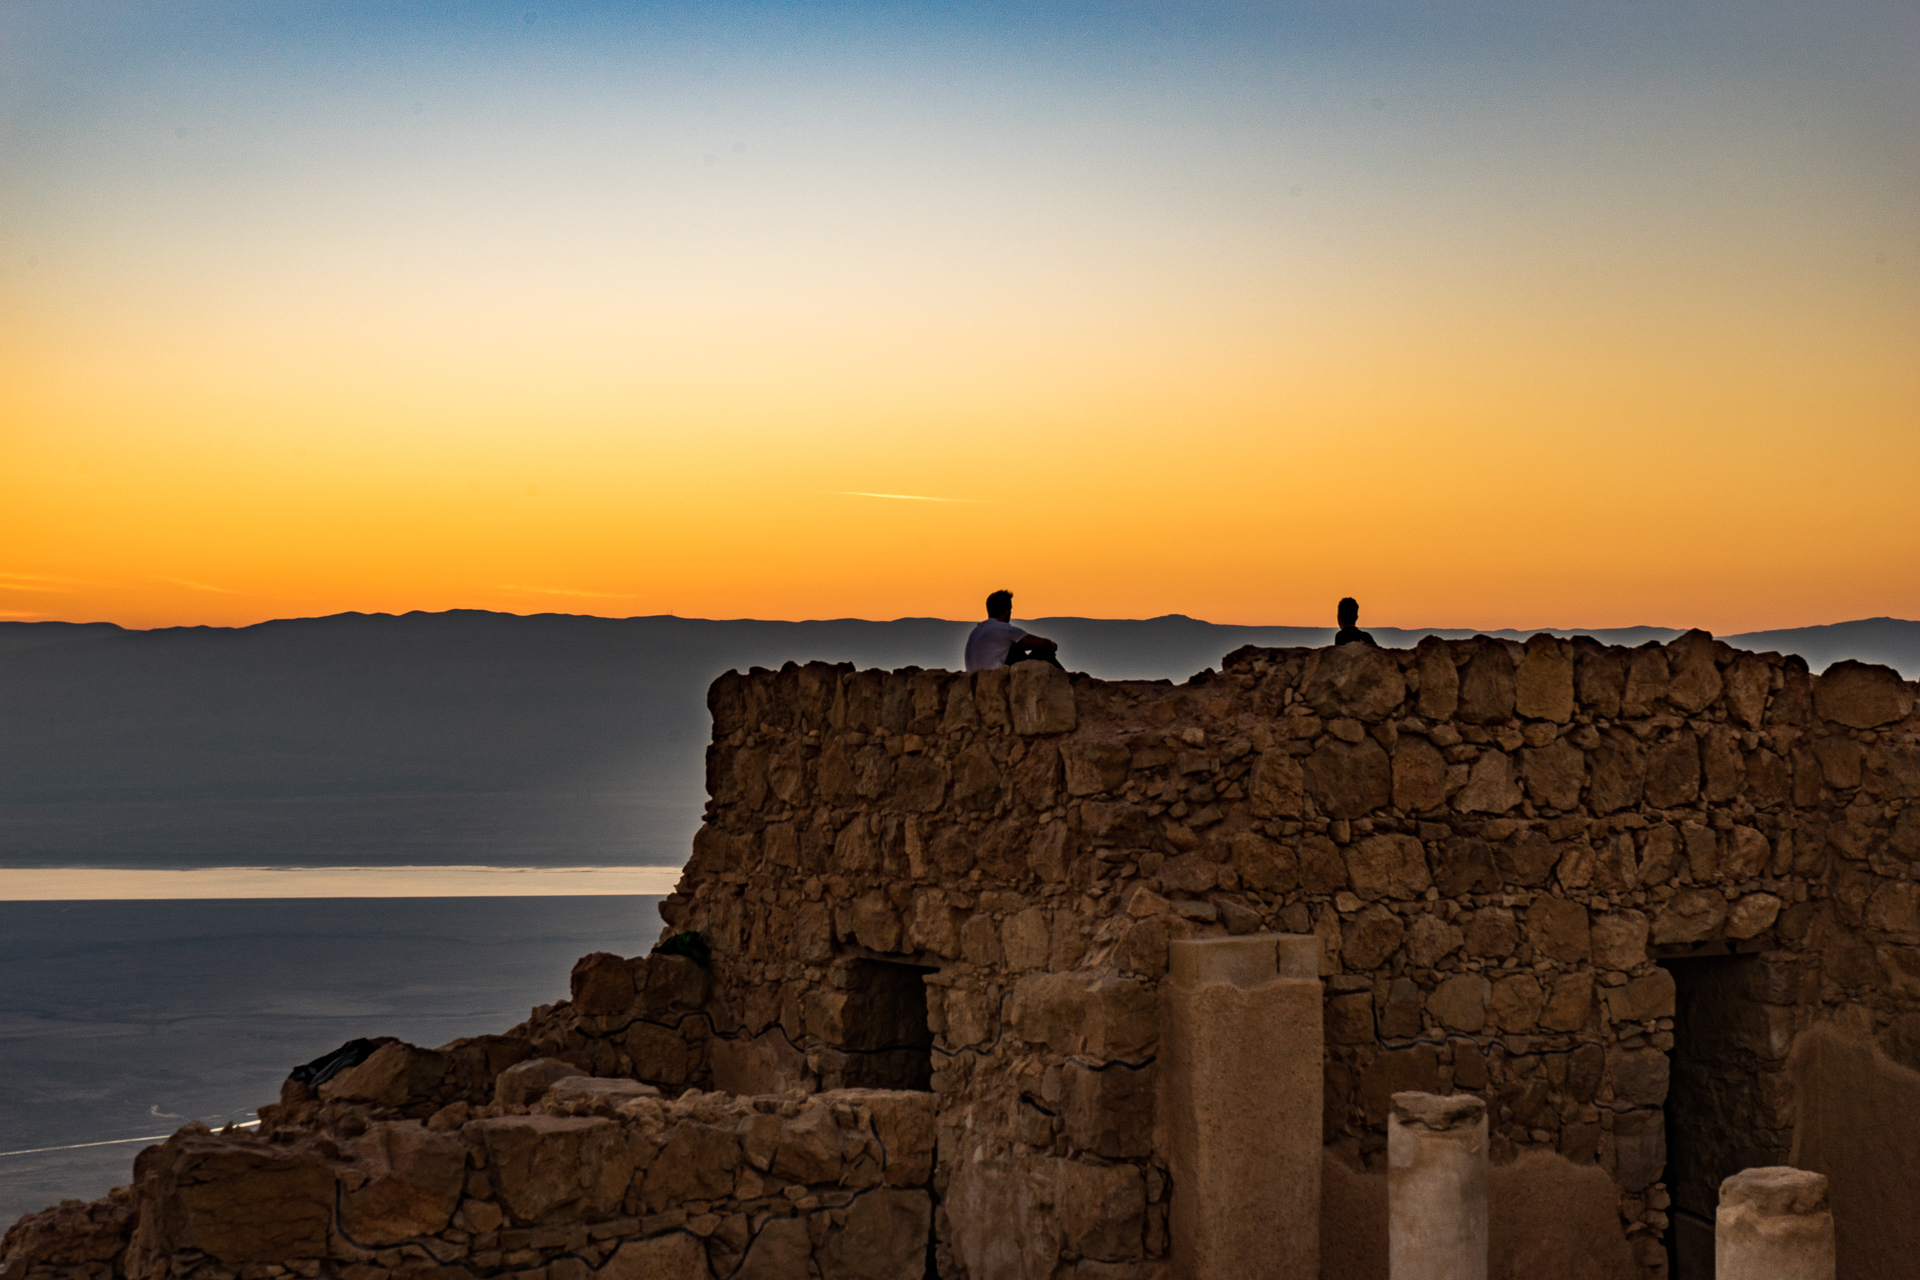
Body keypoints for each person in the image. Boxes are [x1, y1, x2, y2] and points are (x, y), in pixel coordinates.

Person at [964, 590, 1061, 671]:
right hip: (996, 678)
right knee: (1043, 650)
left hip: (977, 678)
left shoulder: (977, 630)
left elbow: (1018, 647)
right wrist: (1052, 645)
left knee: (1014, 647)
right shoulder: (1004, 629)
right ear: (1006, 611)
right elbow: (1045, 644)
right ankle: (1066, 680)